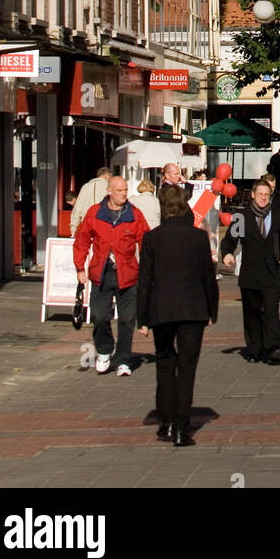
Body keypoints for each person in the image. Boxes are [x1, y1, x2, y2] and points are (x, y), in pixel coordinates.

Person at [136, 184, 218, 447]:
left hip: (161, 309)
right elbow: (208, 276)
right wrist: (211, 310)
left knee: (164, 363)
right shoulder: (197, 238)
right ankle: (182, 429)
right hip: (193, 309)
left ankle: (167, 422)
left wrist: (142, 318)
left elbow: (145, 280)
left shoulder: (152, 238)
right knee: (187, 367)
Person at [73, 175, 149, 377]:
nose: (124, 193)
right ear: (109, 191)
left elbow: (146, 242)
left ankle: (123, 360)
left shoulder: (134, 214)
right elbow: (81, 241)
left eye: (125, 190)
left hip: (128, 274)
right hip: (101, 273)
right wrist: (80, 268)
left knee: (126, 319)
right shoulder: (95, 213)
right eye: (119, 190)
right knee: (99, 315)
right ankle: (105, 351)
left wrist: (149, 269)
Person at [221, 179, 280, 365]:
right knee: (252, 314)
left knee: (271, 311)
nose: (263, 197)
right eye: (260, 194)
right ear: (253, 195)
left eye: (266, 194)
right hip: (250, 274)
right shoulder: (242, 216)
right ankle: (254, 349)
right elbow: (230, 239)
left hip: (272, 272)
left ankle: (274, 348)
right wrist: (227, 253)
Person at [69, 167, 110, 236]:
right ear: (107, 176)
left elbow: (77, 208)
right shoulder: (109, 186)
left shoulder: (85, 186)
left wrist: (73, 228)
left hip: (87, 226)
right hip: (104, 226)